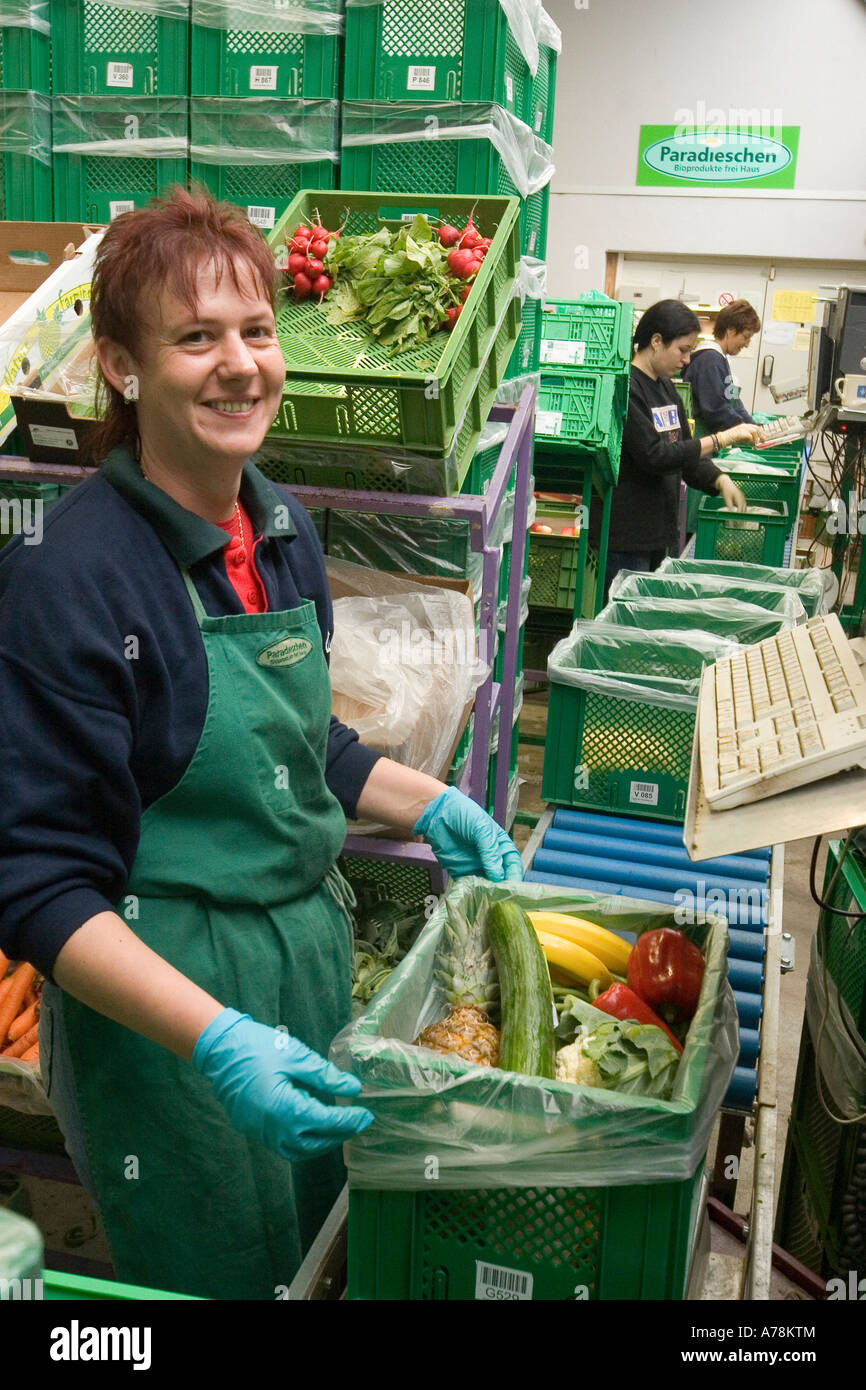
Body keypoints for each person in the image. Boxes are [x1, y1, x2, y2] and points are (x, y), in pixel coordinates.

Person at [0, 188, 523, 1301]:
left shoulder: (274, 525)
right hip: (167, 1018)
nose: (240, 364)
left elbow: (301, 746)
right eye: (195, 338)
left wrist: (426, 802)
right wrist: (218, 1041)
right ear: (123, 367)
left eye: (256, 330)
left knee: (316, 1253)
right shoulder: (72, 575)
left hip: (308, 970)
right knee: (224, 1275)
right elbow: (38, 883)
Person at [591, 299, 762, 599]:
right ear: (656, 341)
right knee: (624, 622)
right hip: (626, 536)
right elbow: (654, 456)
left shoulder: (666, 388)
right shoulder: (626, 389)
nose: (686, 361)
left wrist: (718, 479)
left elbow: (684, 451)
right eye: (682, 350)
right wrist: (721, 439)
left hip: (658, 532)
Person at [681, 298, 762, 433]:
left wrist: (754, 428)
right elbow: (716, 410)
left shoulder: (718, 359)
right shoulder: (710, 361)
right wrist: (745, 430)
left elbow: (734, 402)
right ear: (730, 330)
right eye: (746, 337)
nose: (747, 344)